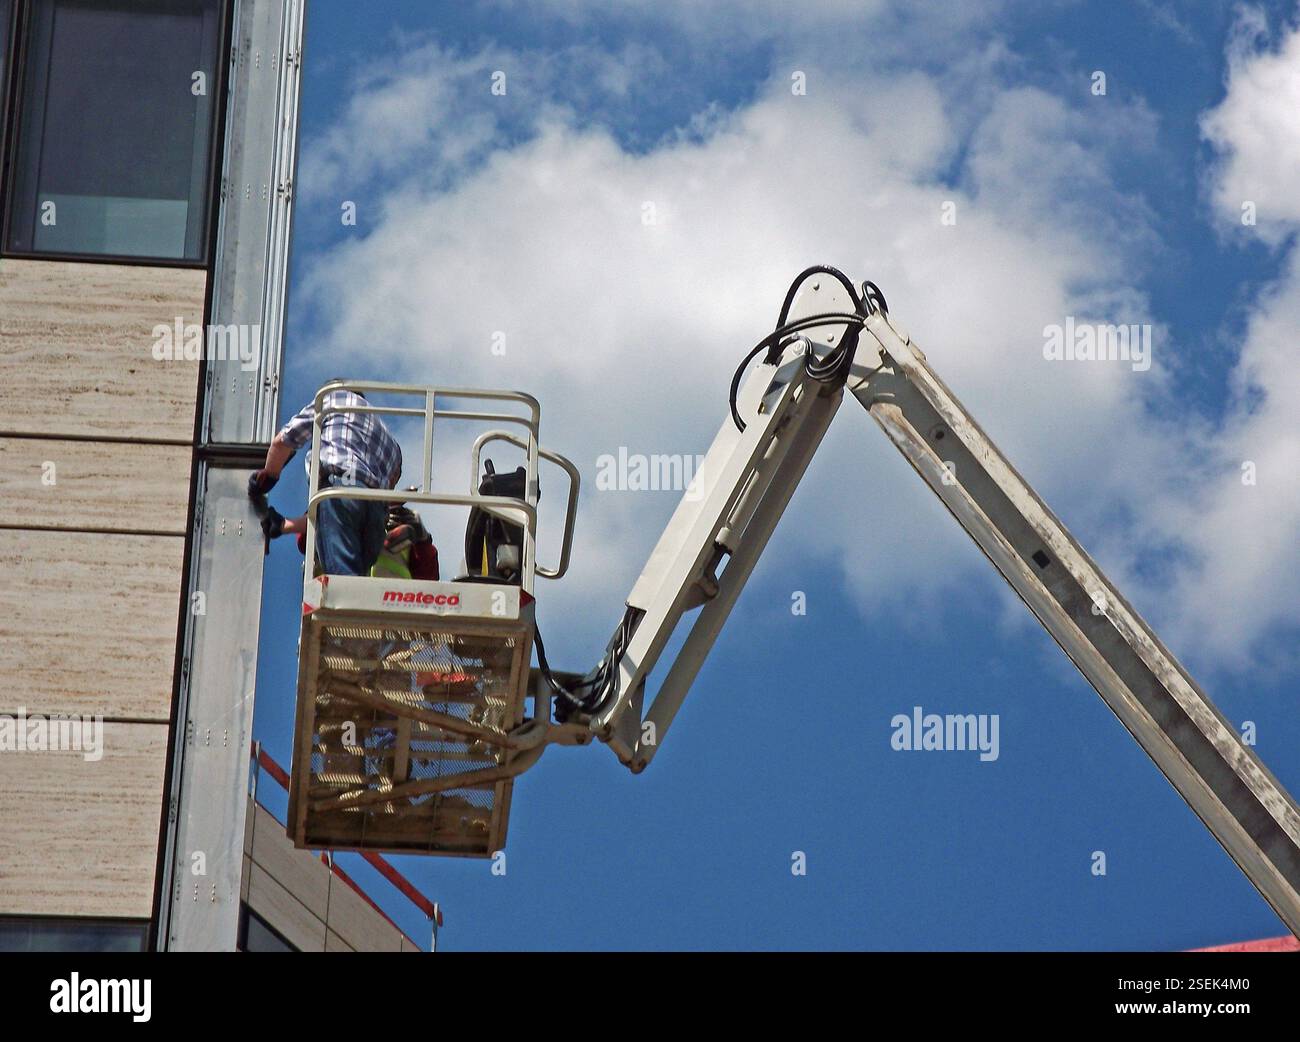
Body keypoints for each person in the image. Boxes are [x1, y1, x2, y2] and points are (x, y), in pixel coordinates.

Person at [248, 385, 402, 576]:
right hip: (377, 513)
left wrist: (268, 477)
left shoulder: (335, 400)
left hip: (340, 489)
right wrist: (283, 526)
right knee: (355, 583)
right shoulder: (391, 442)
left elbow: (283, 441)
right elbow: (352, 504)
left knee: (342, 586)